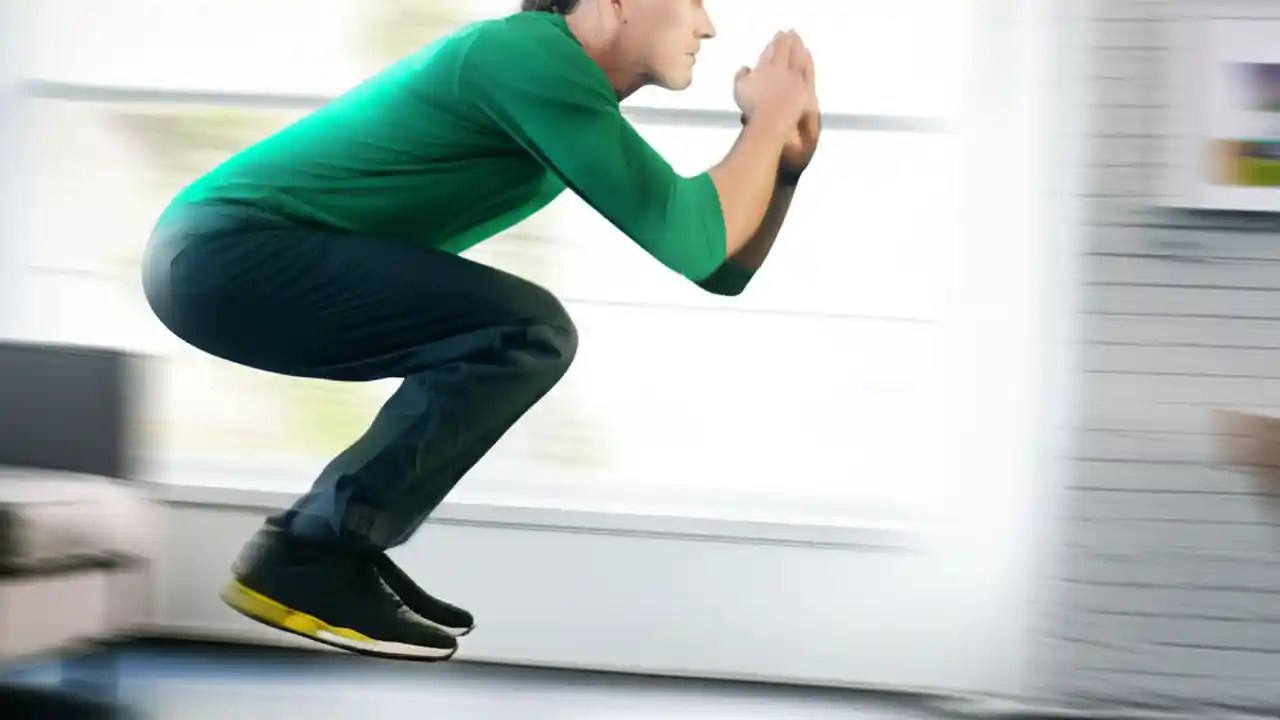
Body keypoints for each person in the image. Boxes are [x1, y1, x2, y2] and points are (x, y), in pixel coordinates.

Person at [140, 0, 822, 662]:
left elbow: (719, 267)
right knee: (525, 331)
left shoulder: (564, 92)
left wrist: (784, 168)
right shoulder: (526, 54)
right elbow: (694, 239)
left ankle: (332, 547)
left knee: (511, 334)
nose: (707, 25)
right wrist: (769, 118)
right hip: (224, 253)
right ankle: (314, 550)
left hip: (224, 263)